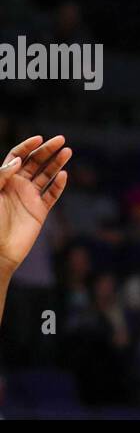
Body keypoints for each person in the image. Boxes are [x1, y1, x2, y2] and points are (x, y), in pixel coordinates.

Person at [0, 135, 72, 334]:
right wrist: (2, 264)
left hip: (45, 285)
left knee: (46, 333)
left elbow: (60, 244)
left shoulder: (46, 211)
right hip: (18, 284)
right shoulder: (9, 202)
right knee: (18, 338)